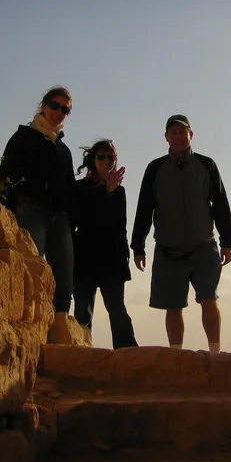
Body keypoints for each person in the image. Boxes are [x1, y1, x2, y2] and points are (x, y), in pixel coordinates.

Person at [131, 114, 231, 354]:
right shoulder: (155, 168)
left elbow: (220, 203)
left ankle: (215, 354)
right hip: (168, 249)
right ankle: (177, 356)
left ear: (191, 134)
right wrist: (138, 245)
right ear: (166, 137)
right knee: (173, 305)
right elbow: (145, 207)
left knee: (209, 299)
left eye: (182, 132)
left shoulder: (206, 165)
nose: (178, 137)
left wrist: (227, 241)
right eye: (173, 132)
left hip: (204, 246)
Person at [0, 86, 77, 324]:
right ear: (43, 106)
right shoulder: (23, 137)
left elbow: (70, 187)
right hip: (30, 210)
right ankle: (26, 320)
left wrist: (70, 218)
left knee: (64, 273)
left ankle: (60, 323)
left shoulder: (64, 150)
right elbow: (6, 174)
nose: (59, 112)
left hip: (59, 217)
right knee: (31, 267)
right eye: (55, 106)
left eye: (65, 109)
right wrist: (8, 211)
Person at [71, 139, 139, 349]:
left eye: (111, 157)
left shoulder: (120, 191)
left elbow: (121, 226)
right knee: (83, 311)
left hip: (111, 259)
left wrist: (126, 256)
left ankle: (128, 354)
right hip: (85, 257)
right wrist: (104, 191)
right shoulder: (80, 187)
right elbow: (79, 218)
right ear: (93, 160)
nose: (107, 161)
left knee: (117, 309)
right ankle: (82, 355)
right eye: (102, 156)